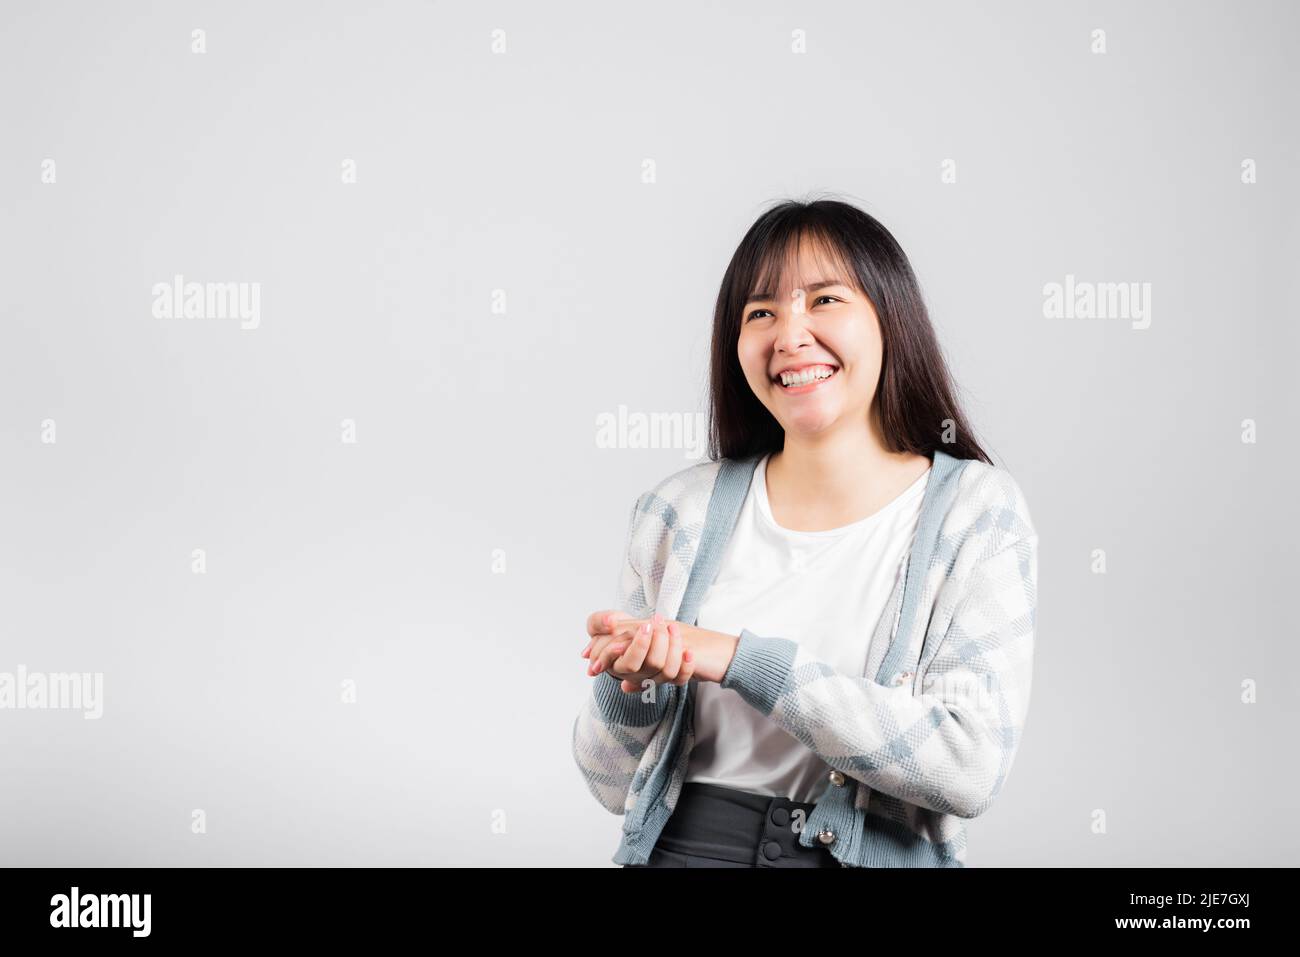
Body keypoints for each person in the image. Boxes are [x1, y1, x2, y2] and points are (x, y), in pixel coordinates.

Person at [572, 197, 1038, 868]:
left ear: (890, 319)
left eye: (824, 300)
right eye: (761, 312)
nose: (789, 334)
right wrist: (628, 682)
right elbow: (612, 785)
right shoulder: (678, 509)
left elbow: (968, 765)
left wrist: (741, 660)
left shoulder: (976, 512)